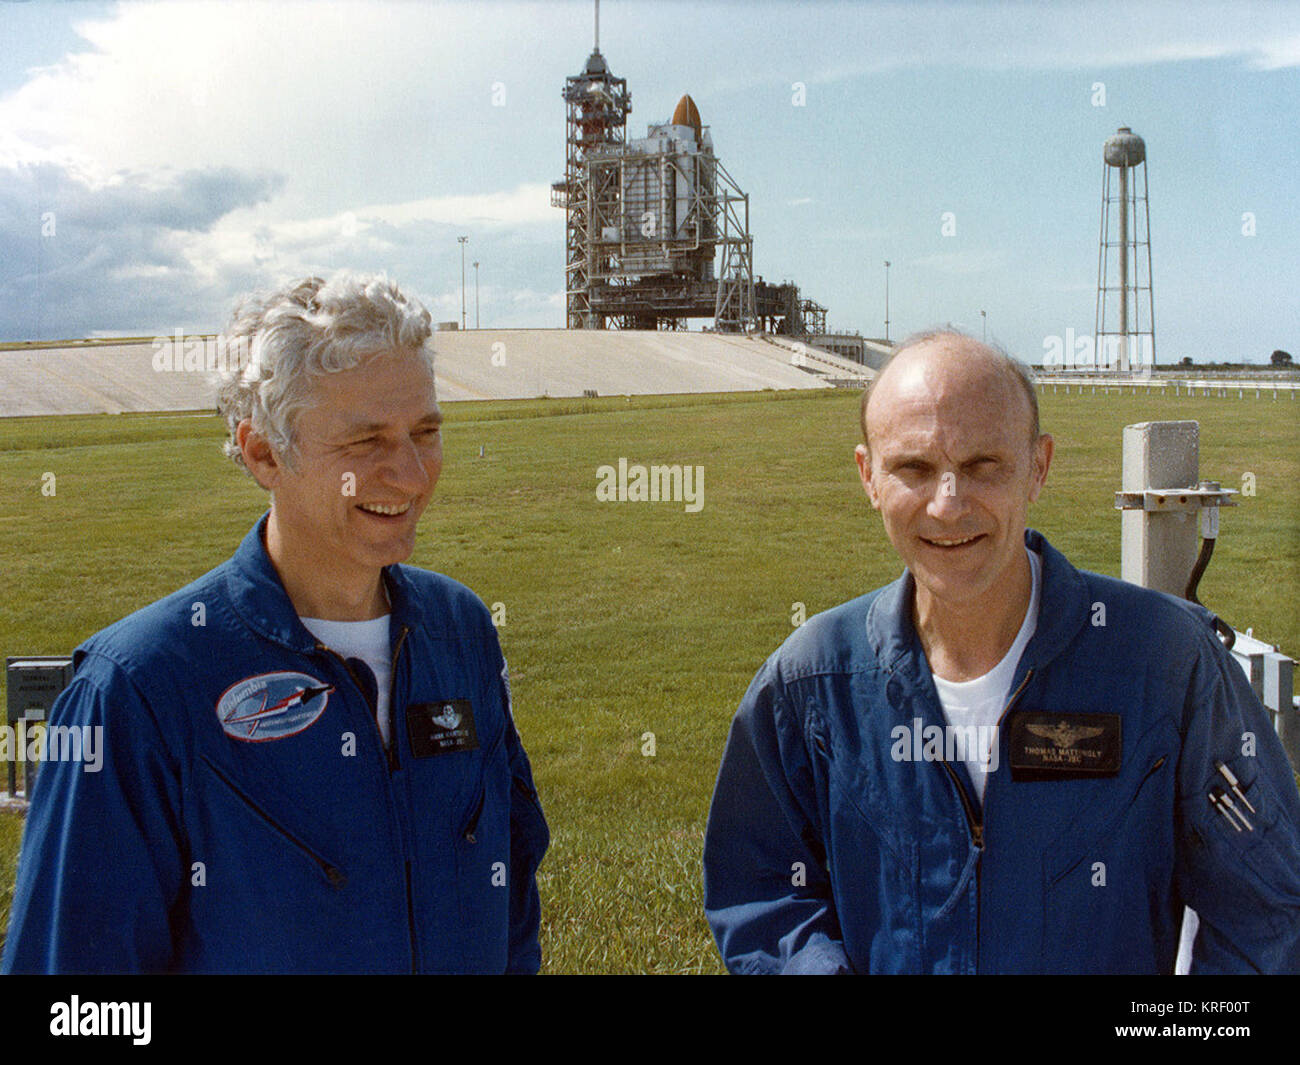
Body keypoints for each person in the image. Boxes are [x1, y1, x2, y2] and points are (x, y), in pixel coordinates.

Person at [702, 329, 1300, 974]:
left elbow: (1268, 911)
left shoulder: (1168, 663)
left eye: (985, 465)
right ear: (868, 476)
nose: (949, 504)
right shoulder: (811, 681)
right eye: (914, 468)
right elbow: (763, 893)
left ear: (1038, 467)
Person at [2, 273, 549, 974]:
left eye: (426, 431)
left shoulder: (461, 632)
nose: (411, 474)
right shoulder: (137, 693)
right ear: (263, 452)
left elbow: (511, 898)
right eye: (366, 442)